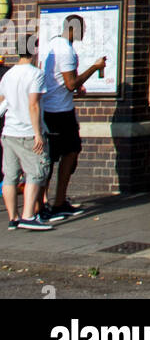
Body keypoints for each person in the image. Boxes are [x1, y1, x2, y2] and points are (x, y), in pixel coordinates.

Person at [41, 16, 105, 218]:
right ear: (74, 29)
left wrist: (78, 85)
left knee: (52, 158)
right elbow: (70, 84)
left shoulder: (52, 44)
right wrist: (95, 68)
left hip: (50, 109)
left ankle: (43, 203)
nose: (84, 32)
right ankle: (57, 202)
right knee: (69, 153)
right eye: (83, 28)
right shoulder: (66, 50)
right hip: (60, 112)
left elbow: (62, 80)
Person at [0, 41, 52, 231]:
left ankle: (13, 218)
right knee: (36, 172)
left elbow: (2, 102)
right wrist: (38, 133)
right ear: (35, 50)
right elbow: (34, 105)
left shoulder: (8, 75)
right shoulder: (35, 74)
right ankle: (28, 216)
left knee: (10, 176)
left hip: (9, 132)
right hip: (28, 132)